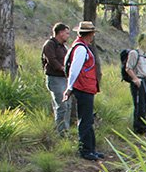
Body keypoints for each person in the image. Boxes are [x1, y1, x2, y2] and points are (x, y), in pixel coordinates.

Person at [63, 21, 102, 161]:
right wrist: (69, 88)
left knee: (88, 119)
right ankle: (85, 150)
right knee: (85, 120)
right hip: (83, 88)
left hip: (86, 88)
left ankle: (91, 149)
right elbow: (74, 70)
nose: (93, 37)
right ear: (89, 34)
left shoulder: (82, 46)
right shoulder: (81, 49)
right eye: (92, 34)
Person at [41, 22, 72, 136]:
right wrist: (63, 69)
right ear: (60, 33)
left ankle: (65, 130)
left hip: (64, 79)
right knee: (62, 105)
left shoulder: (64, 47)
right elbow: (52, 60)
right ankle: (60, 132)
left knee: (68, 105)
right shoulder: (49, 44)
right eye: (67, 33)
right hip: (55, 79)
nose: (68, 36)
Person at [125, 36, 146, 134]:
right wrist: (135, 79)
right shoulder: (134, 53)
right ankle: (139, 128)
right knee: (139, 104)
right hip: (138, 81)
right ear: (141, 42)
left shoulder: (144, 55)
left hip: (144, 80)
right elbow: (128, 68)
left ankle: (143, 126)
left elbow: (143, 69)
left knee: (144, 104)